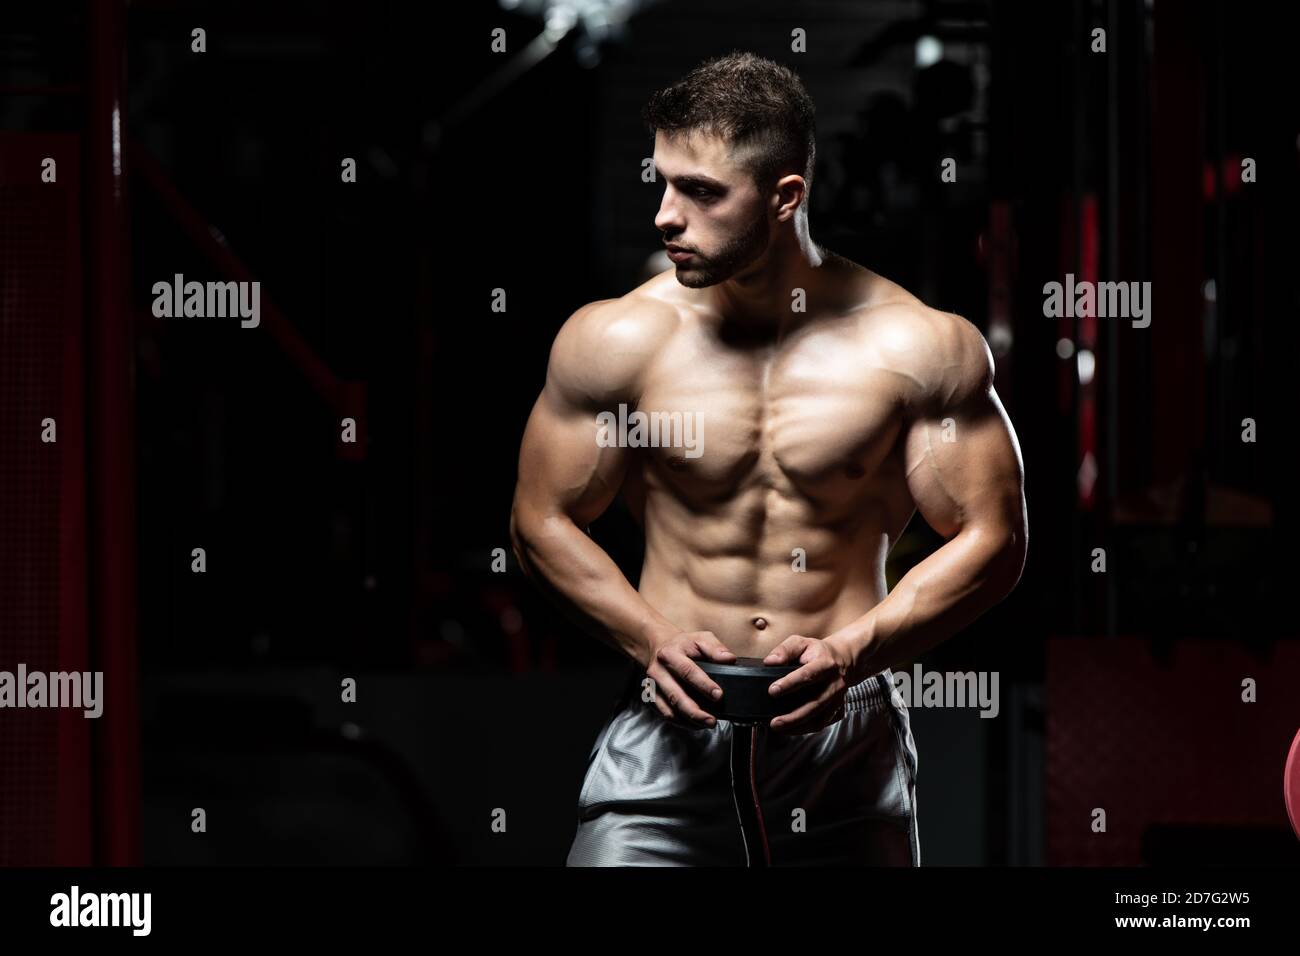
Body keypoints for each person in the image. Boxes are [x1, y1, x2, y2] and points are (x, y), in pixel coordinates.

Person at [509, 51, 1027, 866]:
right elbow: (538, 520)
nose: (665, 217)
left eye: (701, 192)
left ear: (786, 196)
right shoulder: (615, 341)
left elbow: (993, 539)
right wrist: (648, 640)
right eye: (663, 182)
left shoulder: (920, 346)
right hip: (668, 739)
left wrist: (854, 653)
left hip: (844, 753)